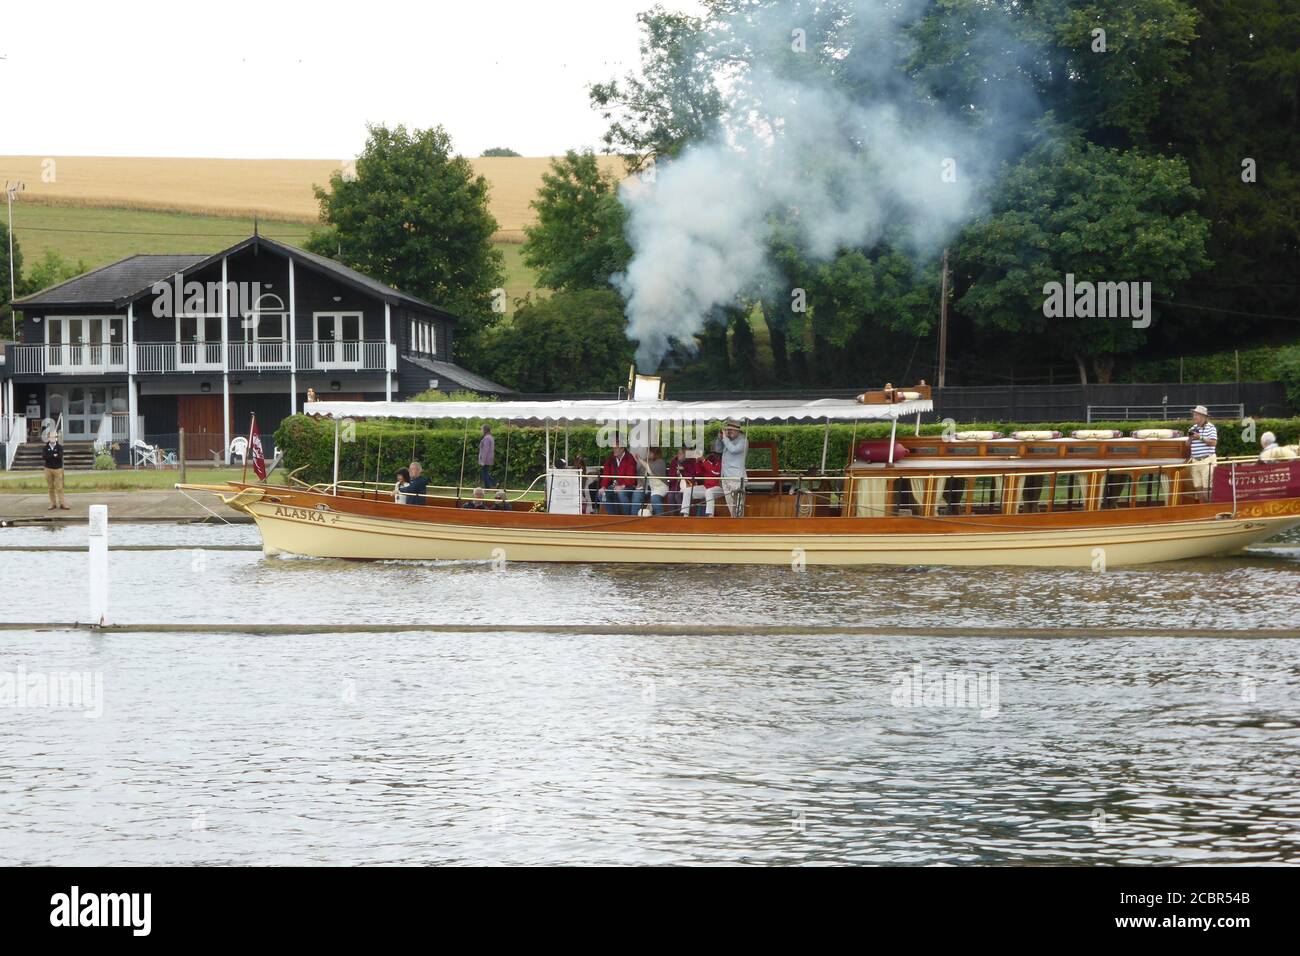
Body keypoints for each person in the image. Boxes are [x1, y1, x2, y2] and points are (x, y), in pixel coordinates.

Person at [599, 439, 644, 515]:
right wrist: (603, 486)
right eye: (613, 448)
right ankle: (613, 516)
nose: (614, 450)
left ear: (622, 449)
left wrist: (623, 486)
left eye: (616, 448)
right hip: (615, 486)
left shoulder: (629, 458)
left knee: (621, 493)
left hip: (628, 486)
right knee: (601, 494)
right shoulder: (610, 459)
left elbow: (631, 477)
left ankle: (625, 517)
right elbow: (606, 475)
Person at [714, 420, 749, 517]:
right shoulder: (728, 440)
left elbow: (733, 450)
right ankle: (735, 523)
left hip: (736, 477)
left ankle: (739, 524)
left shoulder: (743, 440)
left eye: (731, 430)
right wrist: (719, 438)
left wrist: (725, 439)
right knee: (730, 504)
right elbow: (717, 450)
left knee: (738, 504)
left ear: (738, 431)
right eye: (728, 430)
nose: (729, 432)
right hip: (725, 477)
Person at [1187, 406, 1218, 500]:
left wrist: (1200, 437)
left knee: (1207, 489)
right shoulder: (1193, 428)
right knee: (1198, 488)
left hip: (1207, 461)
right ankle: (1202, 509)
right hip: (1195, 462)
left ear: (1203, 416)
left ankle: (1210, 510)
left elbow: (1213, 443)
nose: (1193, 417)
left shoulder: (1211, 427)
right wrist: (1190, 438)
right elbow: (1187, 444)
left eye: (1196, 415)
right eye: (1194, 414)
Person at [679, 449, 722, 517]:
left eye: (713, 453)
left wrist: (704, 460)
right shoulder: (707, 462)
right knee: (687, 491)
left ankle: (710, 515)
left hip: (718, 487)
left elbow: (714, 472)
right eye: (711, 453)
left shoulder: (719, 463)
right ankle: (685, 514)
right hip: (706, 487)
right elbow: (699, 472)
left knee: (709, 492)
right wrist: (697, 462)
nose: (712, 455)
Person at [638, 447, 669, 515]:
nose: (648, 454)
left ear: (655, 453)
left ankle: (660, 518)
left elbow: (650, 469)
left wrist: (640, 459)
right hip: (651, 488)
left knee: (655, 499)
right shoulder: (649, 461)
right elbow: (642, 473)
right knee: (637, 496)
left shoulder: (660, 462)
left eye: (650, 452)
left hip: (661, 487)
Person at [43, 431, 69, 511]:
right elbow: (44, 457)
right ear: (48, 438)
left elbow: (59, 456)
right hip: (48, 469)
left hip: (58, 469)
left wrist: (51, 455)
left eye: (55, 437)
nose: (53, 438)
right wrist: (53, 455)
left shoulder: (60, 447)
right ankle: (53, 504)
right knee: (50, 487)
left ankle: (62, 504)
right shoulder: (45, 448)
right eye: (51, 437)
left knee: (59, 487)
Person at [478, 424, 496, 488]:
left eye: (481, 429)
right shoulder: (490, 437)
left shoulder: (487, 438)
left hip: (486, 459)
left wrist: (483, 461)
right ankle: (495, 483)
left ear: (485, 430)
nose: (481, 431)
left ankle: (488, 486)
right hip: (489, 458)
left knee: (484, 473)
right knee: (485, 472)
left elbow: (485, 450)